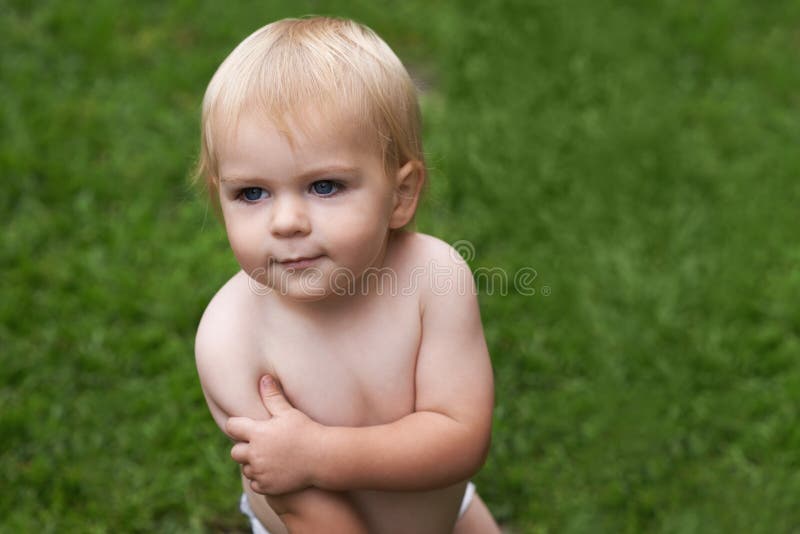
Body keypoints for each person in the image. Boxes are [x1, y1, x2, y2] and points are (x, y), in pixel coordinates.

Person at [194, 16, 500, 534]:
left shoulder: (432, 279)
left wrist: (318, 452)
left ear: (401, 195)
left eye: (325, 186)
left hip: (443, 510)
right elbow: (310, 510)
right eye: (251, 193)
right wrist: (305, 467)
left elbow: (460, 436)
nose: (286, 222)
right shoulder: (232, 338)